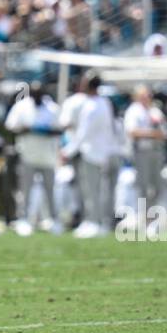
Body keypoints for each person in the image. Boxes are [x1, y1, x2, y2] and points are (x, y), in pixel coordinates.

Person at [4, 80, 62, 235]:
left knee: (50, 189)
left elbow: (60, 129)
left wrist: (46, 131)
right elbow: (10, 127)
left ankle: (53, 220)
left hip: (47, 156)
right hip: (28, 155)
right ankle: (24, 220)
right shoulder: (21, 107)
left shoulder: (52, 108)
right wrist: (27, 129)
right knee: (25, 190)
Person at [63, 73, 118, 237]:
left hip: (91, 153)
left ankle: (95, 223)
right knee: (99, 190)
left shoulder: (90, 105)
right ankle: (97, 222)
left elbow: (83, 133)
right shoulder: (104, 102)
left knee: (91, 191)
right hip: (102, 152)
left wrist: (68, 151)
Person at [124, 85, 167, 223]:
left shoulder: (155, 111)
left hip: (156, 151)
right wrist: (152, 134)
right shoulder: (133, 111)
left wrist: (156, 134)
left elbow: (164, 131)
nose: (147, 98)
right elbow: (132, 131)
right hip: (142, 151)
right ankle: (143, 216)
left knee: (157, 185)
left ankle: (152, 215)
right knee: (143, 186)